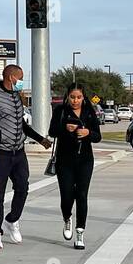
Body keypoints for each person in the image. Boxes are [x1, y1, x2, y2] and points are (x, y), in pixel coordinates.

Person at [0, 63, 51, 249]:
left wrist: (40, 139)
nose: (21, 81)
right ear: (11, 77)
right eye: (20, 77)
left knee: (23, 188)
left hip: (18, 153)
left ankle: (12, 220)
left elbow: (23, 126)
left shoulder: (18, 98)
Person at [48, 84, 101, 250]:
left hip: (85, 160)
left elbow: (97, 136)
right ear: (67, 97)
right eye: (72, 97)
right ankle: (67, 217)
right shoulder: (60, 111)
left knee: (82, 194)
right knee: (67, 195)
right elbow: (52, 131)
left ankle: (80, 232)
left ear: (83, 97)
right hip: (65, 160)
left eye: (78, 97)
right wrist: (65, 128)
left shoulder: (89, 112)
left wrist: (87, 133)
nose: (75, 101)